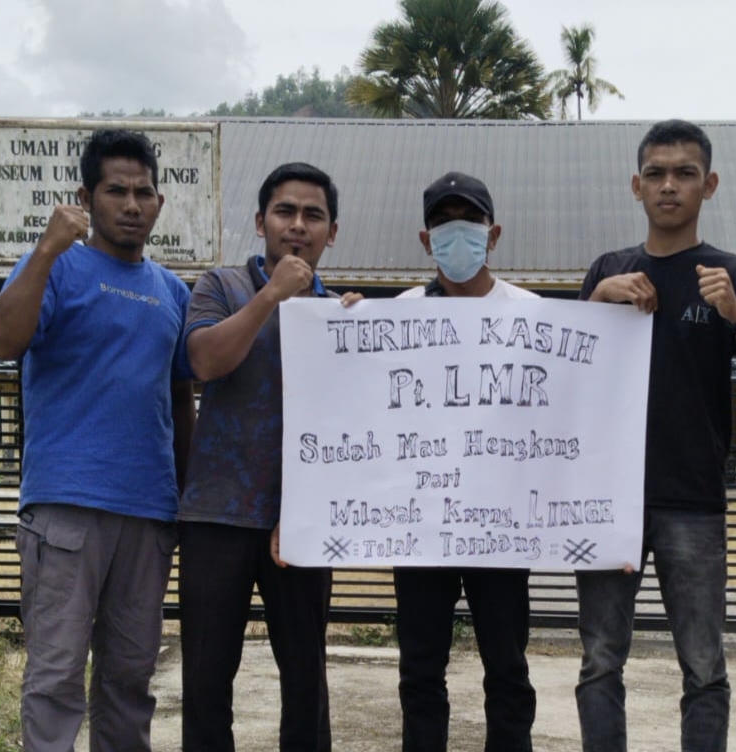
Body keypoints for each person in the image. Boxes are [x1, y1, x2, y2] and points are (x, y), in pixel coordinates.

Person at [575, 119, 736, 752]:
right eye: (657, 174)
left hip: (693, 498)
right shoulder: (608, 270)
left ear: (709, 184)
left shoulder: (733, 275)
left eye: (685, 173)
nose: (670, 186)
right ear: (636, 186)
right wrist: (596, 301)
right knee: (599, 659)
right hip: (606, 499)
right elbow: (558, 374)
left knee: (703, 666)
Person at [0, 128, 195, 751]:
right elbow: (1, 343)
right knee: (55, 677)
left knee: (130, 680)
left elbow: (179, 399)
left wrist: (182, 498)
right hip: (65, 510)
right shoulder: (55, 265)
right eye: (116, 191)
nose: (131, 205)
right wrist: (47, 249)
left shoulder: (174, 292)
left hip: (148, 513)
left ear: (159, 203)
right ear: (86, 196)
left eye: (144, 192)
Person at [178, 162, 360, 752]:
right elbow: (204, 362)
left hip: (302, 524)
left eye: (314, 215)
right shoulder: (221, 286)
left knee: (306, 682)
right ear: (261, 221)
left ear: (332, 231)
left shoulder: (344, 315)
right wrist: (273, 295)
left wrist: (357, 335)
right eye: (285, 212)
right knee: (206, 679)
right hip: (217, 517)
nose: (298, 225)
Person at [392, 171, 538, 752]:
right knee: (420, 671)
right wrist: (339, 327)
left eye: (470, 222)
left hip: (500, 529)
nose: (458, 236)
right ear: (426, 240)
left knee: (508, 668)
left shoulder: (532, 315)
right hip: (421, 527)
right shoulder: (395, 315)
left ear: (493, 233)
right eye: (443, 224)